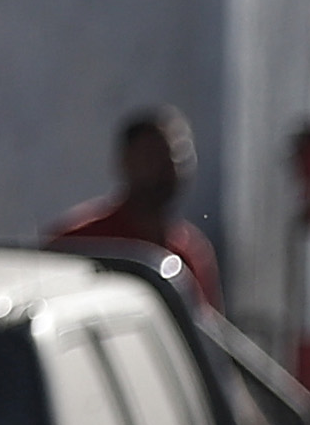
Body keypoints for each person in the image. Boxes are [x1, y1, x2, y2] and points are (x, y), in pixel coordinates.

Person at [44, 106, 225, 318]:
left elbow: (207, 336)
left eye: (175, 157)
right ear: (125, 162)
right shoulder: (83, 242)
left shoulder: (190, 252)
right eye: (150, 157)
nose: (164, 169)